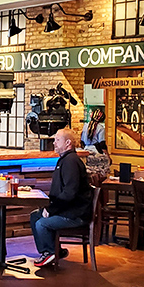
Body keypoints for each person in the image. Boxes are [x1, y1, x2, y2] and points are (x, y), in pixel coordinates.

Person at [31, 127, 93, 269]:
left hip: (75, 215)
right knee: (35, 216)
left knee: (41, 223)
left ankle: (51, 252)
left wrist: (52, 210)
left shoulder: (70, 162)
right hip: (67, 210)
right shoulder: (65, 160)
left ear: (68, 143)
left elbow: (69, 193)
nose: (54, 143)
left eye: (57, 140)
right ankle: (52, 251)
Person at [80, 108, 111, 184]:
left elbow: (82, 141)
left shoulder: (85, 126)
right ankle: (101, 189)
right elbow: (102, 144)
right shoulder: (100, 128)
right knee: (101, 173)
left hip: (86, 151)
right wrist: (108, 156)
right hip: (96, 151)